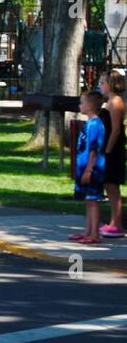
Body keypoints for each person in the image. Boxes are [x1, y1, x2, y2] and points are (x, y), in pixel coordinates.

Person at [71, 90, 107, 244]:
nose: (80, 105)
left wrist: (88, 170)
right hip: (84, 167)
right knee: (88, 200)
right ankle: (87, 231)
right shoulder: (89, 123)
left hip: (92, 169)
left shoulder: (96, 125)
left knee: (93, 200)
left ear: (90, 105)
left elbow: (94, 149)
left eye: (82, 102)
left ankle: (95, 234)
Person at [98, 72, 126, 238]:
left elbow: (115, 130)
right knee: (109, 187)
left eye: (102, 83)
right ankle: (112, 222)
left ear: (111, 84)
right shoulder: (108, 102)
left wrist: (107, 150)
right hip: (107, 148)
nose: (100, 85)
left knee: (113, 187)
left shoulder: (115, 102)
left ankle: (117, 224)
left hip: (113, 150)